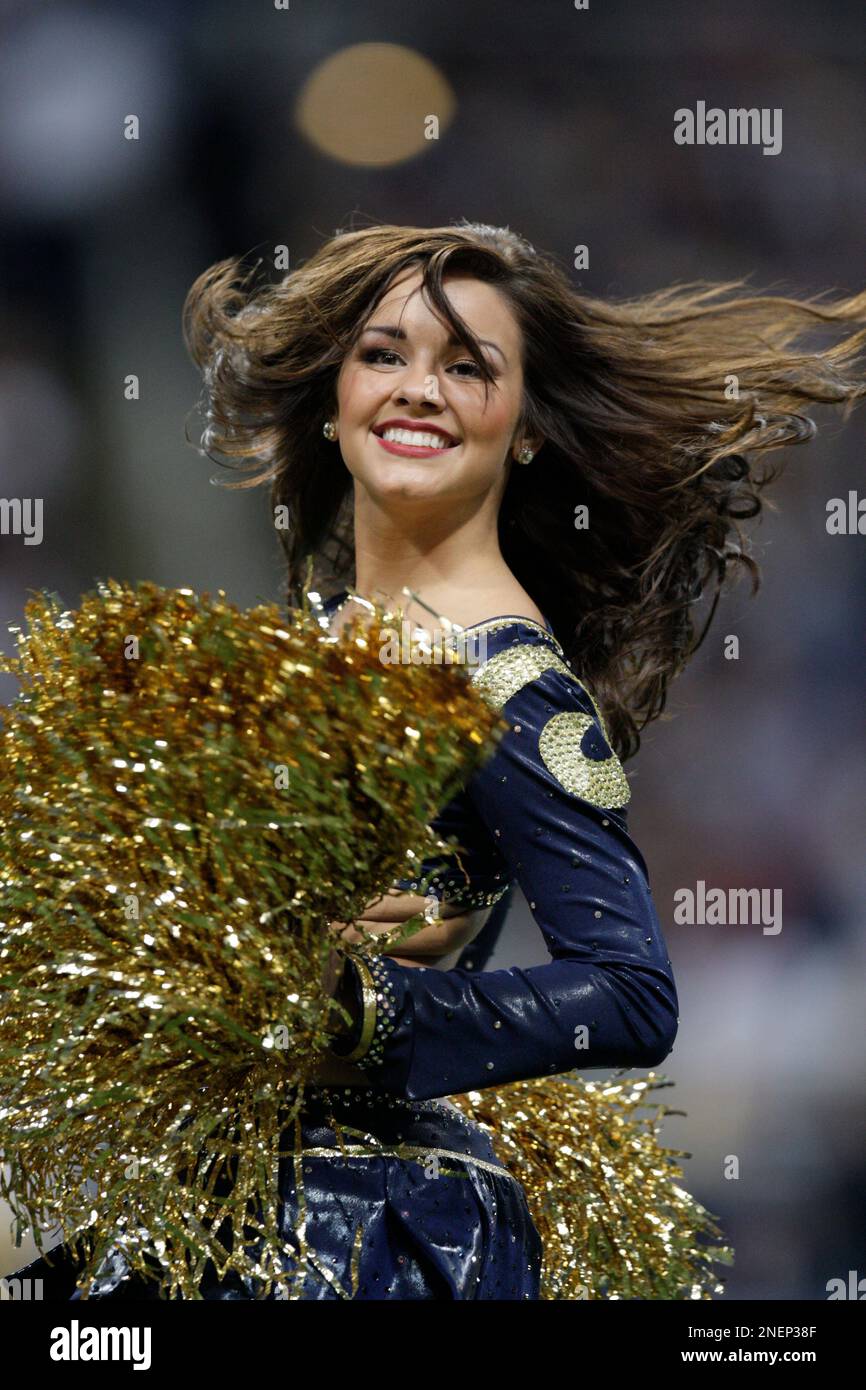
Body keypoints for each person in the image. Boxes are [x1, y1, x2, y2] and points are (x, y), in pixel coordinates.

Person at [12, 220, 865, 1299]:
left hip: (352, 1240)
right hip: (220, 1205)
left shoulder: (505, 678)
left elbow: (631, 992)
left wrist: (351, 1010)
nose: (419, 388)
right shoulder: (317, 640)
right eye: (384, 354)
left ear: (522, 430)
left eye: (467, 366)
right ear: (330, 400)